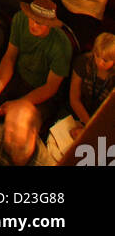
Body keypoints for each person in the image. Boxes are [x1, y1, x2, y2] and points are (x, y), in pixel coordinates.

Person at [0, 0, 72, 127]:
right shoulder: (20, 18)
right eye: (32, 19)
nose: (34, 25)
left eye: (39, 23)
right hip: (17, 75)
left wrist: (19, 103)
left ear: (49, 24)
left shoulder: (62, 45)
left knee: (21, 125)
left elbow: (50, 88)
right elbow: (10, 57)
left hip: (41, 91)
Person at [47, 32, 115, 162]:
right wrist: (86, 125)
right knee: (57, 142)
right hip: (76, 110)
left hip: (99, 119)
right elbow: (74, 98)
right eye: (97, 56)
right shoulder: (83, 62)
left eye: (106, 60)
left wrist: (89, 131)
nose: (99, 62)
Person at [0, 97, 55, 167]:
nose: (8, 131)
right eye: (7, 125)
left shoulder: (45, 163)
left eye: (14, 126)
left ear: (32, 133)